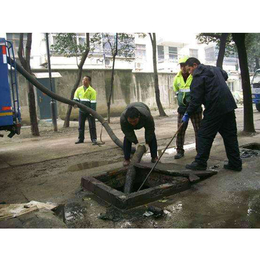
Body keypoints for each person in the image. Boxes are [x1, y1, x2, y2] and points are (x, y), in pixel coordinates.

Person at [183, 57, 242, 171]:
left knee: (204, 135)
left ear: (195, 65)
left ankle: (200, 162)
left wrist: (187, 113)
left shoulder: (198, 77)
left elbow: (196, 100)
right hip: (228, 106)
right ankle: (235, 163)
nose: (190, 73)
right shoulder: (215, 69)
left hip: (215, 108)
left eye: (190, 69)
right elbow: (225, 75)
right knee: (230, 136)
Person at [173, 56, 202, 159]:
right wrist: (181, 101)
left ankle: (200, 151)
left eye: (184, 65)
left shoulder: (195, 76)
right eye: (181, 66)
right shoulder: (177, 78)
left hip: (195, 108)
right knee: (180, 130)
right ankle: (179, 151)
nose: (183, 68)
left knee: (198, 130)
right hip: (183, 108)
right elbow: (176, 90)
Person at [120, 102, 158, 166]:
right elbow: (128, 133)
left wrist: (147, 143)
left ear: (139, 117)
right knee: (127, 138)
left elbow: (150, 130)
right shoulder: (123, 119)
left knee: (152, 135)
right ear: (127, 119)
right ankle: (126, 159)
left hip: (143, 107)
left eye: (134, 121)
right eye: (130, 122)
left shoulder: (146, 116)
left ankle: (154, 157)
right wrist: (136, 143)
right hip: (129, 116)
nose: (133, 123)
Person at [73, 76, 98, 145]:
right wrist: (74, 103)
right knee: (81, 125)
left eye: (86, 80)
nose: (84, 81)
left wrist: (93, 112)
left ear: (89, 81)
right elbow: (76, 99)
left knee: (92, 126)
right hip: (81, 111)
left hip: (90, 111)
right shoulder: (79, 90)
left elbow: (93, 103)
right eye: (83, 79)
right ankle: (80, 139)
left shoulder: (92, 91)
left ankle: (94, 139)